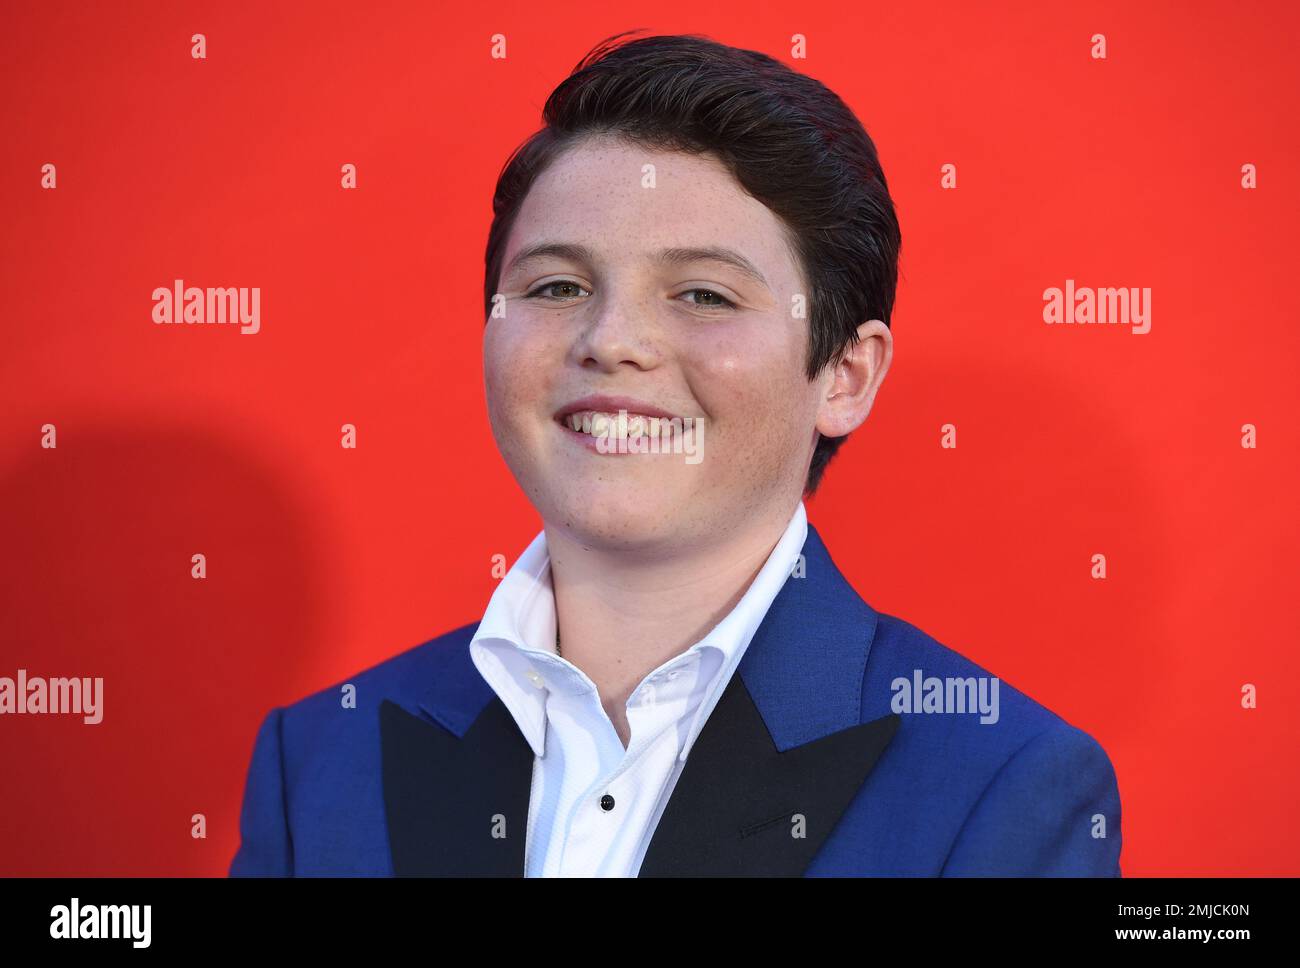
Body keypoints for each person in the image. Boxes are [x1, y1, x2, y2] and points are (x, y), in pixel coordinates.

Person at [230, 30, 1121, 877]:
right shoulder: (317, 763)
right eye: (557, 286)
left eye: (702, 294)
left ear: (846, 375)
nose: (611, 341)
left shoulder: (999, 783)